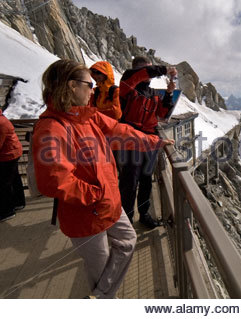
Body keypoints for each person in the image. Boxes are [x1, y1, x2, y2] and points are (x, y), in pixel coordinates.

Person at [32, 59, 174, 299]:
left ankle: (101, 297)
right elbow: (53, 180)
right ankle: (104, 300)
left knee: (127, 241)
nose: (93, 89)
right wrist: (96, 195)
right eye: (89, 84)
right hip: (86, 212)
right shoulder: (52, 128)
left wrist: (154, 142)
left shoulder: (86, 116)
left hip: (106, 201)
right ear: (71, 86)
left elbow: (122, 131)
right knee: (99, 267)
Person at [119, 56, 177, 228]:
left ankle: (144, 214)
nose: (150, 73)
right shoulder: (127, 85)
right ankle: (126, 221)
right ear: (137, 70)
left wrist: (169, 93)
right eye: (147, 69)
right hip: (130, 141)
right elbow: (139, 74)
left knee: (145, 180)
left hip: (149, 141)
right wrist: (165, 69)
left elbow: (162, 113)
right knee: (129, 183)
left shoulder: (153, 93)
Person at [0, 109, 26, 222]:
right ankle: (19, 202)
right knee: (14, 179)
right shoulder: (2, 119)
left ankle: (7, 211)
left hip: (8, 155)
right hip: (12, 152)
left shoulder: (1, 123)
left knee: (4, 183)